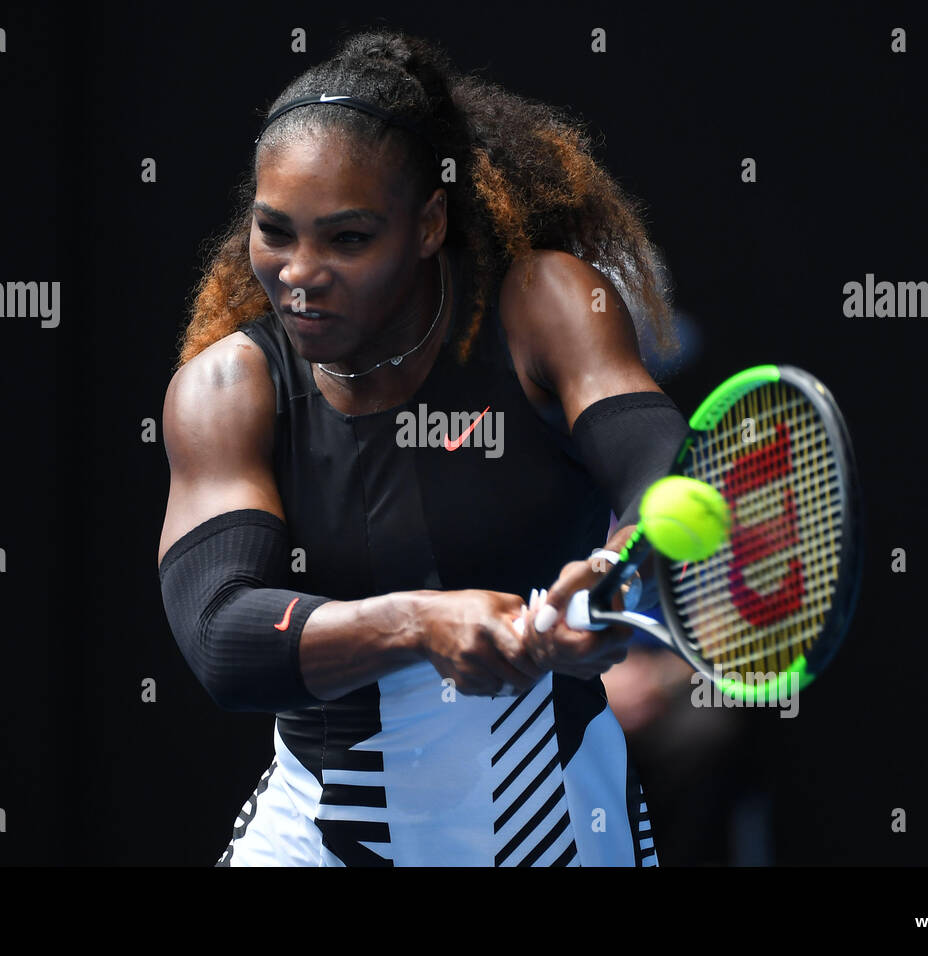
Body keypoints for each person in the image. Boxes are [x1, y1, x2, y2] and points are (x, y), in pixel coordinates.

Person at [157, 27, 689, 866]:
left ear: (430, 222)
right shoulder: (226, 390)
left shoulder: (543, 304)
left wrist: (613, 573)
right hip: (316, 839)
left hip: (558, 829)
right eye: (275, 231)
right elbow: (221, 635)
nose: (299, 272)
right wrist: (417, 623)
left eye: (348, 238)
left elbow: (659, 466)